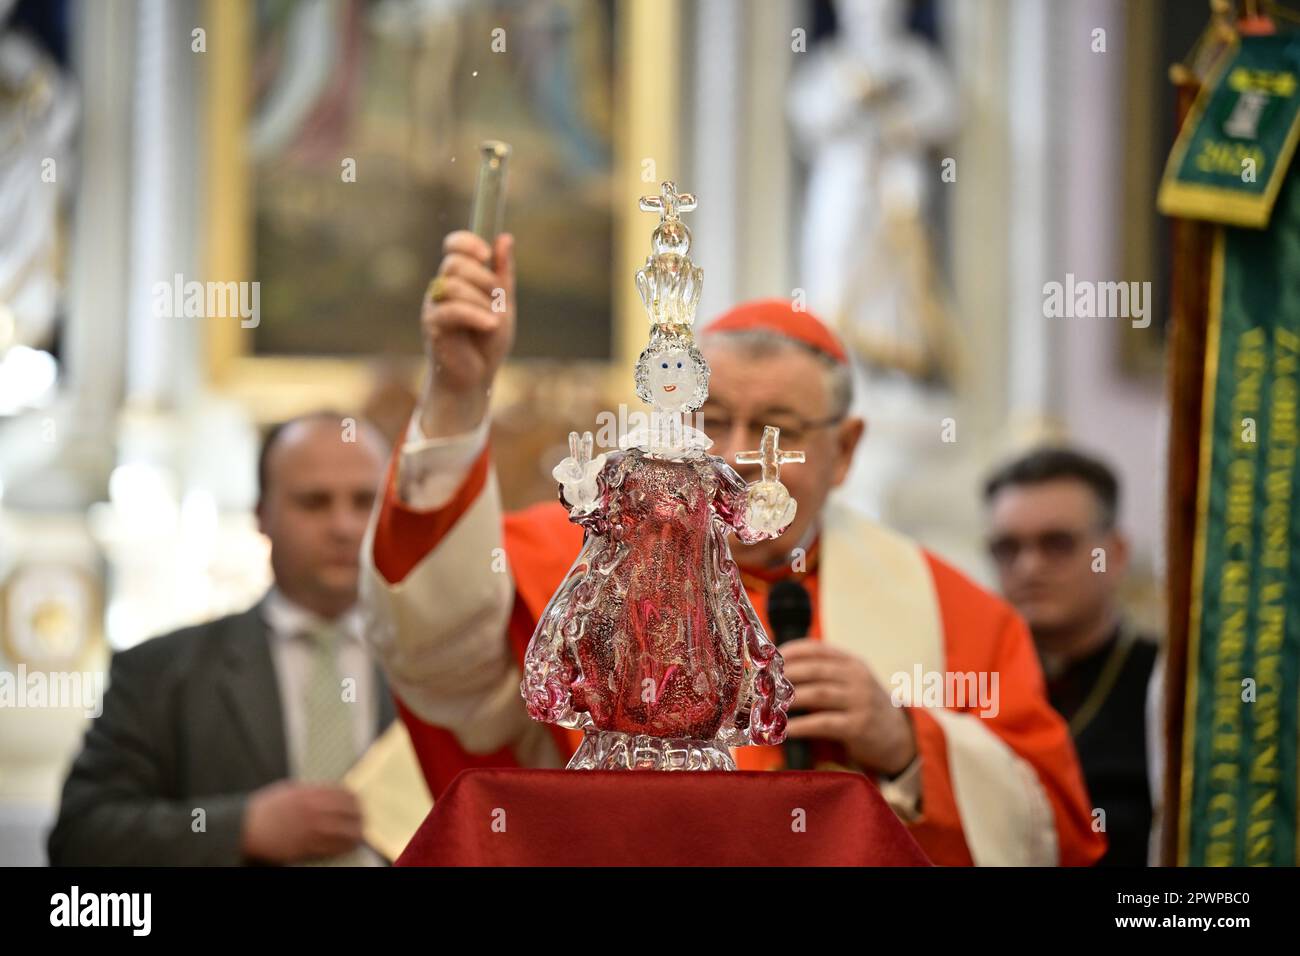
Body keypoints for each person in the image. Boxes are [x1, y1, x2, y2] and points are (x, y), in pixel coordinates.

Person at [361, 229, 1106, 866]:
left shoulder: (955, 616)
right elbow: (433, 648)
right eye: (713, 417)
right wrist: (458, 396)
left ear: (844, 452)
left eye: (778, 426)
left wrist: (907, 743)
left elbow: (1059, 835)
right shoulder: (568, 554)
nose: (741, 453)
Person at [48, 412, 395, 865]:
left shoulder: (443, 670)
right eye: (314, 502)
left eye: (365, 502)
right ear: (262, 516)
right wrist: (240, 827)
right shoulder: (161, 672)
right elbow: (81, 837)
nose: (344, 526)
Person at [983, 447, 1158, 867]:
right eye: (1008, 548)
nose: (1028, 567)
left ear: (1114, 554)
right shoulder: (966, 683)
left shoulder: (1168, 682)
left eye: (1057, 544)